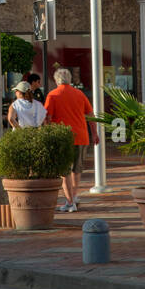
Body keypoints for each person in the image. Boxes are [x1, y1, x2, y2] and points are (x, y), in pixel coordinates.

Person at [44, 67, 99, 212]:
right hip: (81, 136)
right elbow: (91, 115)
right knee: (77, 170)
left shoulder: (53, 95)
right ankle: (74, 197)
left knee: (64, 171)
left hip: (62, 138)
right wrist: (95, 133)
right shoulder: (79, 94)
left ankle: (69, 202)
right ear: (69, 79)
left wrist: (47, 133)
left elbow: (47, 118)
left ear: (56, 80)